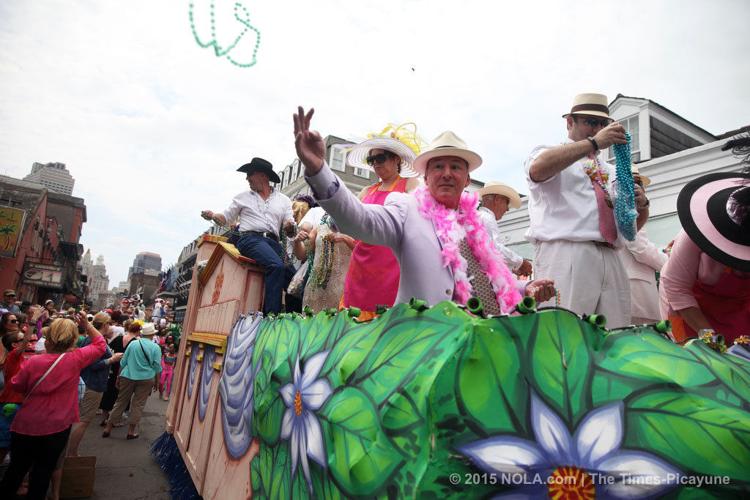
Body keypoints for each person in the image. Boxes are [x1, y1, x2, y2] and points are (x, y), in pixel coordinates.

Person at [293, 107, 555, 314]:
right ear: (426, 177)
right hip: (425, 344)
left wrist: (525, 287)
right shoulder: (406, 208)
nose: (447, 174)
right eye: (438, 166)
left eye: (456, 167)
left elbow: (492, 279)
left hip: (480, 342)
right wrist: (319, 171)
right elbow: (359, 220)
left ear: (467, 179)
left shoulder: (476, 224)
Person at [525, 93, 650, 328]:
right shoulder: (547, 152)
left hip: (611, 256)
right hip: (567, 252)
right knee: (564, 334)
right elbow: (538, 169)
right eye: (590, 122)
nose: (598, 129)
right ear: (569, 122)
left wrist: (642, 204)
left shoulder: (613, 170)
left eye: (603, 123)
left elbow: (630, 229)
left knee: (614, 335)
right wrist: (594, 143)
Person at [0, 314, 105, 500]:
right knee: (42, 474)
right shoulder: (76, 358)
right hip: (57, 427)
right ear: (73, 339)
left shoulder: (33, 362)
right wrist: (87, 324)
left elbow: (16, 385)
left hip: (27, 425)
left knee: (16, 471)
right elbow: (100, 344)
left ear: (49, 339)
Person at [659, 134, 750, 343]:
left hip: (740, 312)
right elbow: (676, 287)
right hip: (690, 308)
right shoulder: (696, 234)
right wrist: (712, 340)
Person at [201, 157, 297, 314]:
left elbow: (290, 226)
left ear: (263, 176)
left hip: (273, 243)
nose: (247, 178)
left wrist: (290, 227)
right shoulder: (242, 197)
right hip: (250, 239)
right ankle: (270, 319)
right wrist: (212, 215)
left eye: (250, 173)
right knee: (276, 266)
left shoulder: (284, 200)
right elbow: (225, 218)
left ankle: (294, 322)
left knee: (295, 282)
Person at [338, 135, 420, 319]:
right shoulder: (366, 191)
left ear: (396, 159)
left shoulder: (410, 185)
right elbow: (351, 224)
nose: (375, 164)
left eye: (380, 158)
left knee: (387, 330)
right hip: (360, 269)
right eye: (371, 160)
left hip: (391, 270)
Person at [617, 170, 668, 324]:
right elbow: (640, 248)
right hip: (636, 296)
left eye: (639, 184)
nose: (638, 188)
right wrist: (670, 263)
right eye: (634, 183)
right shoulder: (625, 213)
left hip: (635, 296)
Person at [67, 312, 121, 457]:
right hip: (92, 384)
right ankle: (71, 454)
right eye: (110, 324)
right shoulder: (94, 340)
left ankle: (70, 452)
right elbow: (92, 365)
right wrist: (111, 360)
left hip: (89, 382)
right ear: (105, 325)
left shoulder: (92, 339)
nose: (112, 327)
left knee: (80, 419)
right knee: (83, 420)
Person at [102, 322, 162, 439]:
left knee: (120, 402)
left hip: (128, 376)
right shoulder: (156, 347)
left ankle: (108, 428)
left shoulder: (133, 344)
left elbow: (123, 362)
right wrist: (157, 381)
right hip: (146, 378)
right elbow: (157, 367)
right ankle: (131, 431)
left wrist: (119, 376)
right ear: (152, 335)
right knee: (138, 405)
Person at [300, 214, 355, 312]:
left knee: (339, 325)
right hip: (317, 289)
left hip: (343, 289)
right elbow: (302, 254)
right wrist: (296, 241)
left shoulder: (355, 224)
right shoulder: (320, 227)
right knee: (313, 325)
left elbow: (364, 250)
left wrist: (344, 238)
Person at [478, 181, 533, 277]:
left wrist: (512, 267)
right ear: (497, 199)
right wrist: (520, 262)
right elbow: (494, 248)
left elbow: (488, 256)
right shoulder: (487, 218)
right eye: (507, 203)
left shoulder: (480, 217)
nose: (507, 209)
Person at [0, 330, 29, 465]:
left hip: (18, 403)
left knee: (13, 441)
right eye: (22, 340)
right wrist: (33, 322)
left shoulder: (20, 357)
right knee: (4, 442)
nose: (27, 342)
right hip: (10, 404)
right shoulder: (13, 356)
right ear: (14, 345)